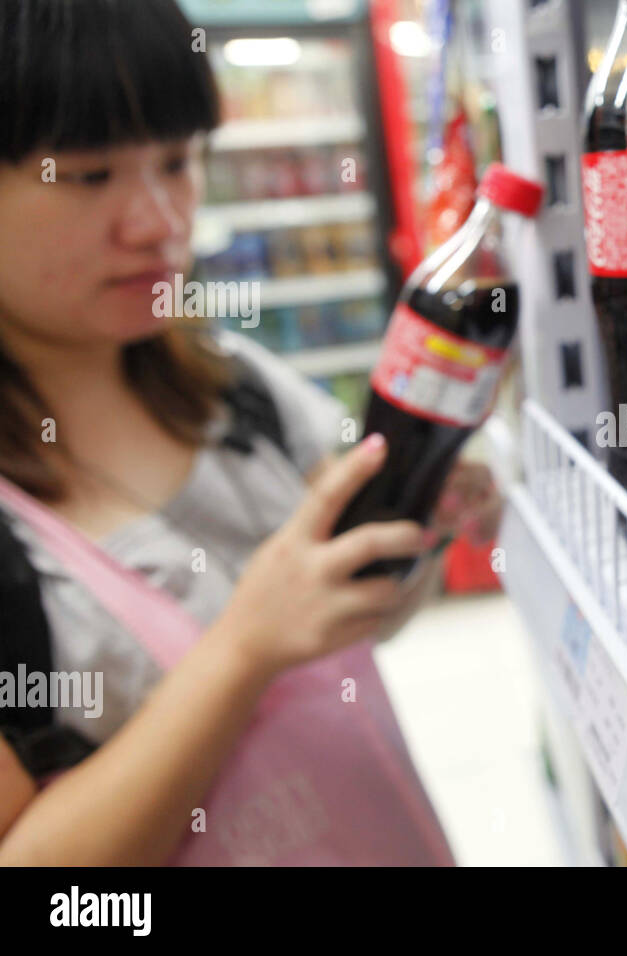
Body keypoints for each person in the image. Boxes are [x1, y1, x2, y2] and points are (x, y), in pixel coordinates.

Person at [0, 0, 500, 865]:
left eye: (178, 161)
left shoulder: (238, 386)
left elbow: (349, 620)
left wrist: (417, 524)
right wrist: (243, 649)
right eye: (88, 176)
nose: (159, 221)